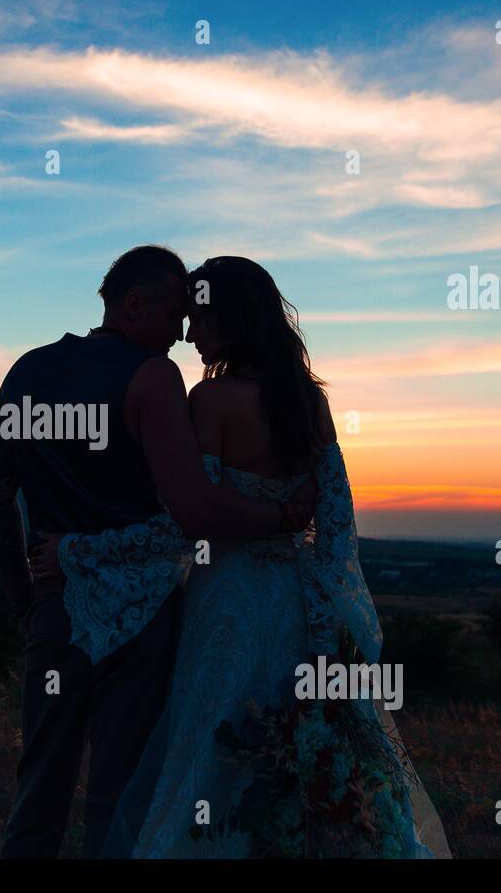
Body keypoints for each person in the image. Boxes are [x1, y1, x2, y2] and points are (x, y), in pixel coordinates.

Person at [29, 255, 451, 858]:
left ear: (230, 320)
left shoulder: (212, 400)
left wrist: (74, 549)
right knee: (299, 757)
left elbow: (185, 523)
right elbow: (335, 527)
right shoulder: (310, 402)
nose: (188, 334)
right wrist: (331, 623)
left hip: (225, 605)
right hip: (301, 608)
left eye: (198, 320)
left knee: (212, 754)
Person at [0, 245, 316, 858]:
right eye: (175, 316)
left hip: (56, 611)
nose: (183, 333)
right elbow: (194, 514)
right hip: (139, 624)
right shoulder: (153, 376)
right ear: (134, 306)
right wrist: (279, 515)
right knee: (119, 798)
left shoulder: (27, 370)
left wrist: (26, 605)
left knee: (40, 792)